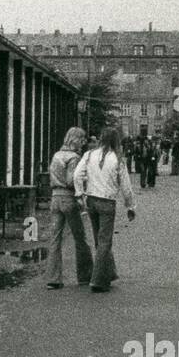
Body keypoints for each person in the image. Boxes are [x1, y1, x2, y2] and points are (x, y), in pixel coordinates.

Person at [73, 127, 136, 293]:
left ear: (101, 138)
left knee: (98, 239)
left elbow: (77, 174)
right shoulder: (118, 159)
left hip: (91, 200)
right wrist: (130, 206)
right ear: (116, 140)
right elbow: (126, 186)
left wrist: (80, 194)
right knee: (105, 241)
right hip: (107, 202)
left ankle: (108, 273)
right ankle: (98, 280)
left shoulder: (89, 155)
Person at [44, 126, 94, 289]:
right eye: (82, 139)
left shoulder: (56, 155)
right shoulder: (74, 158)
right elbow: (71, 180)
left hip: (55, 198)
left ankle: (53, 278)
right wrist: (85, 180)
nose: (83, 142)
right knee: (80, 238)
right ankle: (85, 276)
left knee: (55, 239)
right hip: (68, 198)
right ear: (75, 140)